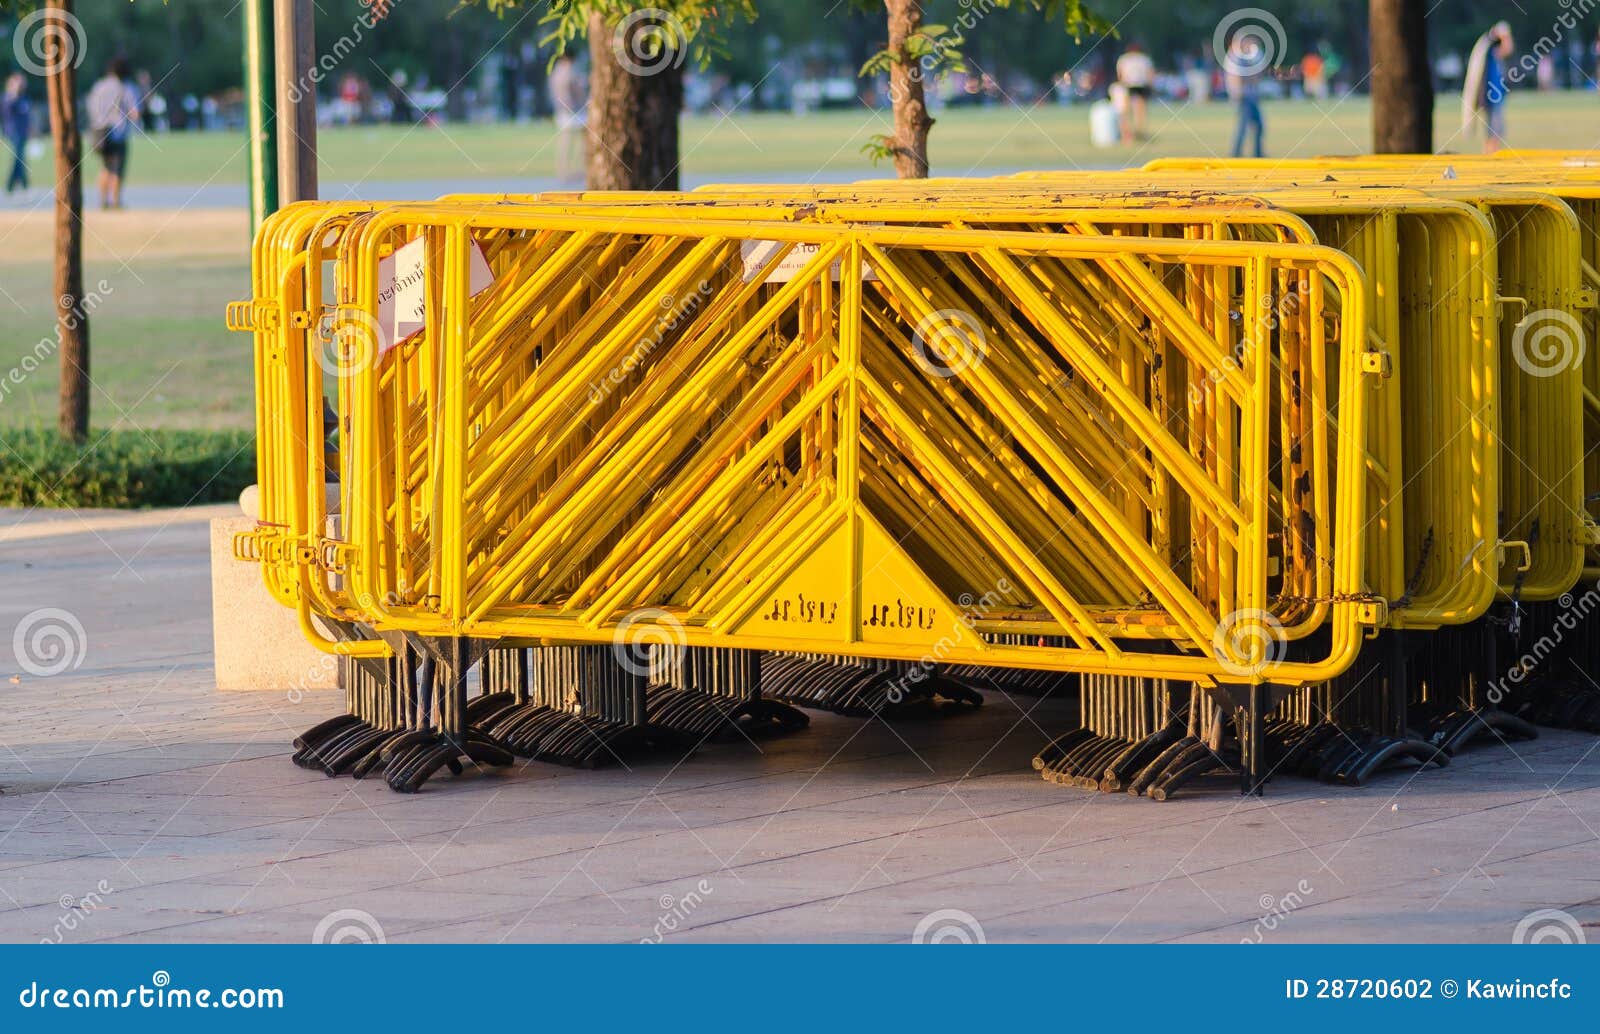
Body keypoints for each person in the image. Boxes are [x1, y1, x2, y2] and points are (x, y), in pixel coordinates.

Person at [86, 56, 141, 208]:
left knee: (105, 167)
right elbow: (135, 112)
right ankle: (116, 201)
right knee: (116, 168)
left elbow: (91, 107)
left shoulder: (99, 86)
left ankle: (103, 201)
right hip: (118, 132)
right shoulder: (127, 87)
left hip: (98, 132)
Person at [1463, 22, 1513, 153]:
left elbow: (1508, 49)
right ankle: (1490, 155)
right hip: (1492, 98)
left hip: (1496, 97)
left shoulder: (1493, 53)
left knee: (1494, 132)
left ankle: (1491, 154)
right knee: (1494, 132)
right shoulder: (1490, 51)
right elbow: (1508, 48)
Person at [548, 45, 587, 181]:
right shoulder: (571, 71)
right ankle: (576, 169)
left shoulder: (556, 71)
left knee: (566, 141)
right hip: (574, 110)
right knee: (580, 140)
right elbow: (577, 90)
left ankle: (564, 170)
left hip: (563, 111)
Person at [1226, 36, 1265, 158]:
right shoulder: (1237, 57)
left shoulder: (1245, 57)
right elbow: (1236, 77)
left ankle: (1255, 154)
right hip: (1244, 96)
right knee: (1245, 127)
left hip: (1249, 96)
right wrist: (1238, 93)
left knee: (1255, 126)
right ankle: (1237, 154)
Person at [1114, 42, 1155, 144]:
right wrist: (1151, 86)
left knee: (1125, 111)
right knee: (1140, 111)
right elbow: (1150, 74)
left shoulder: (1124, 59)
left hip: (1128, 85)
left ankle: (1128, 135)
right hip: (1141, 85)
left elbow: (1120, 75)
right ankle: (1139, 132)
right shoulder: (1145, 59)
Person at [3, 73, 30, 194]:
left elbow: (26, 117)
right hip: (13, 133)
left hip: (23, 133)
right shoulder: (8, 98)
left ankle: (17, 184)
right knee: (19, 158)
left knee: (20, 158)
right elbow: (6, 112)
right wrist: (13, 93)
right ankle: (18, 184)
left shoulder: (23, 98)